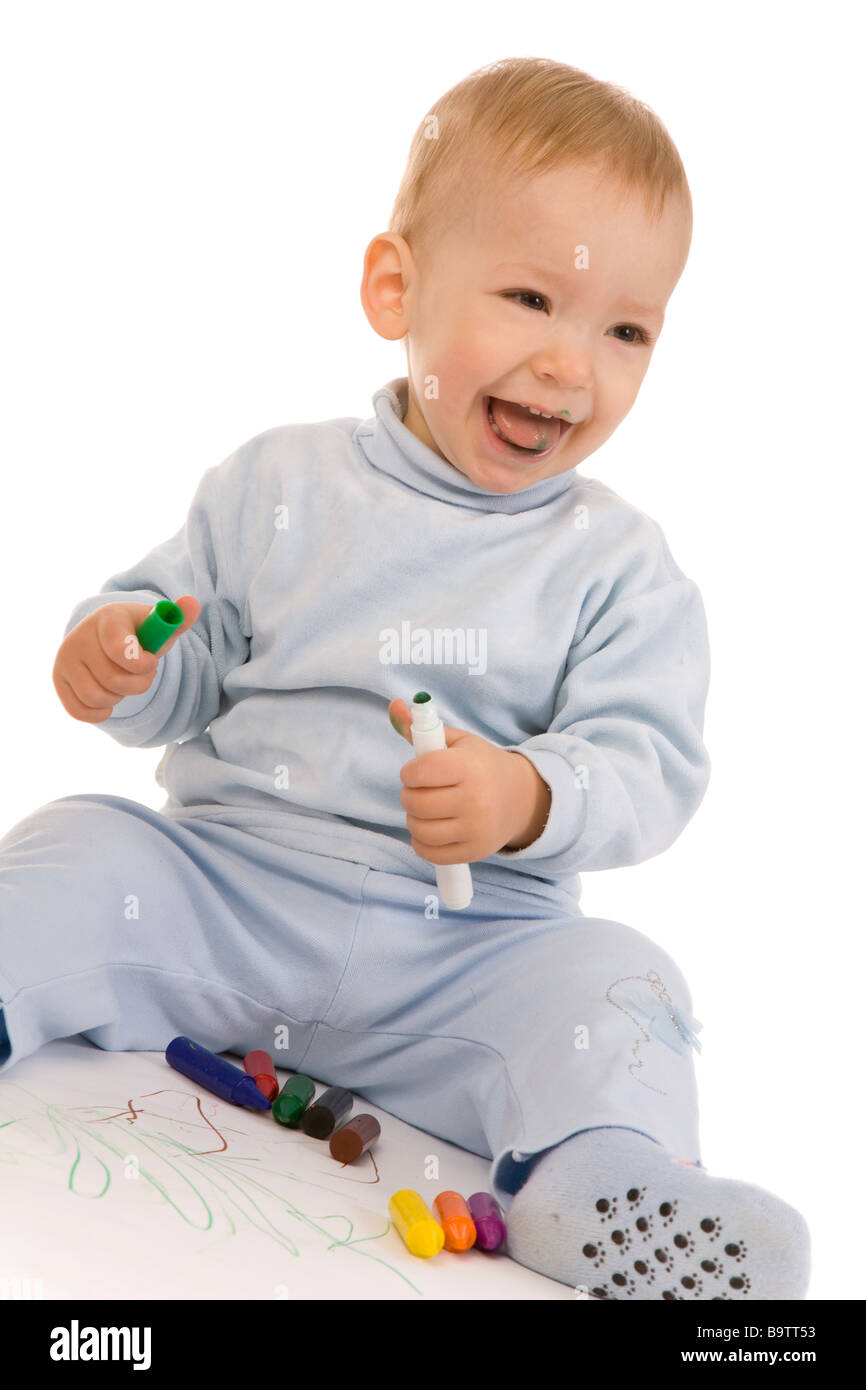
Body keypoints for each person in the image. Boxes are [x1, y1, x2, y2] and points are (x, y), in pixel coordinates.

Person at [0, 57, 810, 1299]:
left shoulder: (619, 566)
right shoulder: (276, 484)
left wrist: (526, 796)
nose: (568, 364)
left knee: (623, 982)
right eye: (532, 297)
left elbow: (645, 764)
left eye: (624, 329)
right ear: (396, 288)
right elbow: (185, 659)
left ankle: (599, 1177)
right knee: (78, 850)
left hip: (470, 955)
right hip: (227, 895)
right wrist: (119, 660)